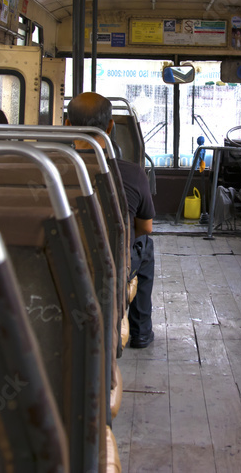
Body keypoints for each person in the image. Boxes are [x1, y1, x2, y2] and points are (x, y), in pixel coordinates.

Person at [65, 92, 157, 348]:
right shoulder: (131, 173)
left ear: (66, 124)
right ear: (110, 126)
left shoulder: (48, 167)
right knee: (145, 247)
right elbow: (145, 227)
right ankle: (140, 331)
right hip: (112, 261)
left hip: (62, 256)